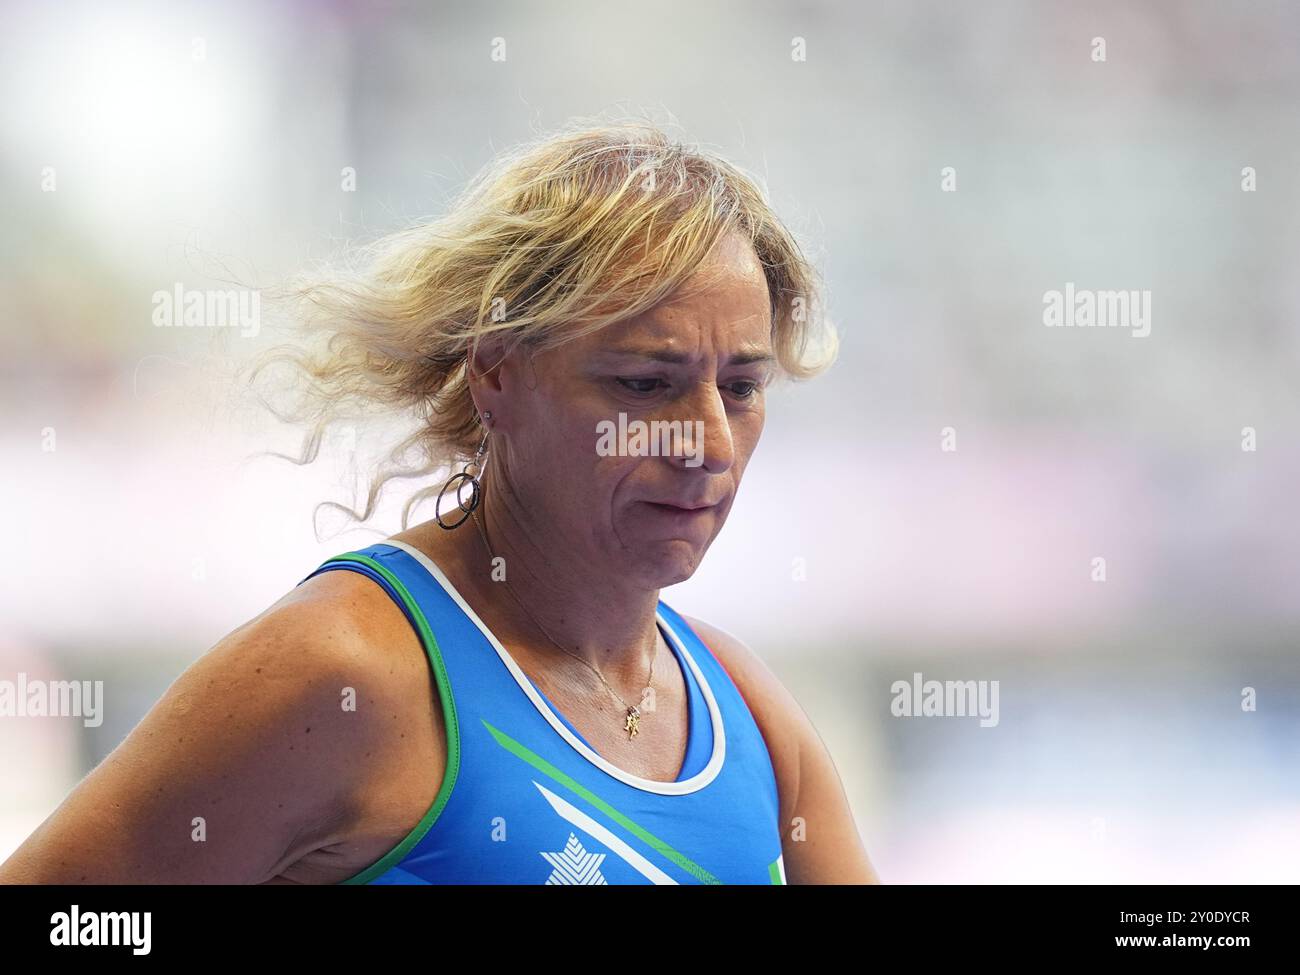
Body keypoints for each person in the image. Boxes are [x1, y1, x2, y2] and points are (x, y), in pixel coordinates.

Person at [0, 121, 879, 884]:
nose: (710, 445)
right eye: (646, 383)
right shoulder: (349, 673)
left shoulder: (749, 714)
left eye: (741, 387)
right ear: (496, 372)